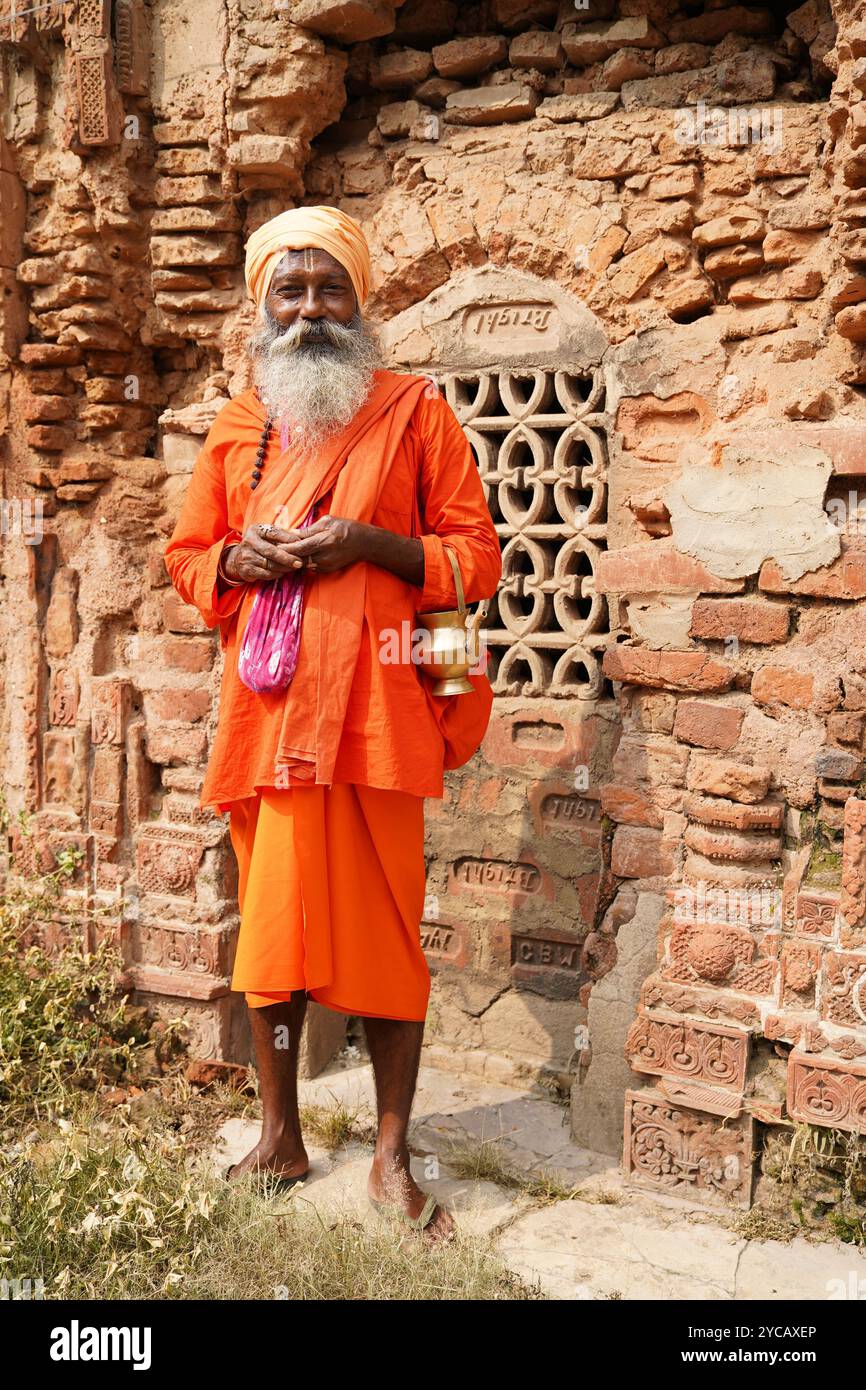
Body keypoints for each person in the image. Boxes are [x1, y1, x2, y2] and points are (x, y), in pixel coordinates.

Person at [163, 204, 502, 1243]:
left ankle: (394, 1158)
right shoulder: (236, 426)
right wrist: (233, 561)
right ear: (260, 307)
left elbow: (472, 560)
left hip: (378, 718)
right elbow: (187, 560)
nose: (310, 309)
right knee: (268, 941)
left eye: (329, 289)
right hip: (266, 723)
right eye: (290, 291)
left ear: (361, 301)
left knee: (389, 941)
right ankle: (280, 1136)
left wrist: (372, 543)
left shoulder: (416, 415)